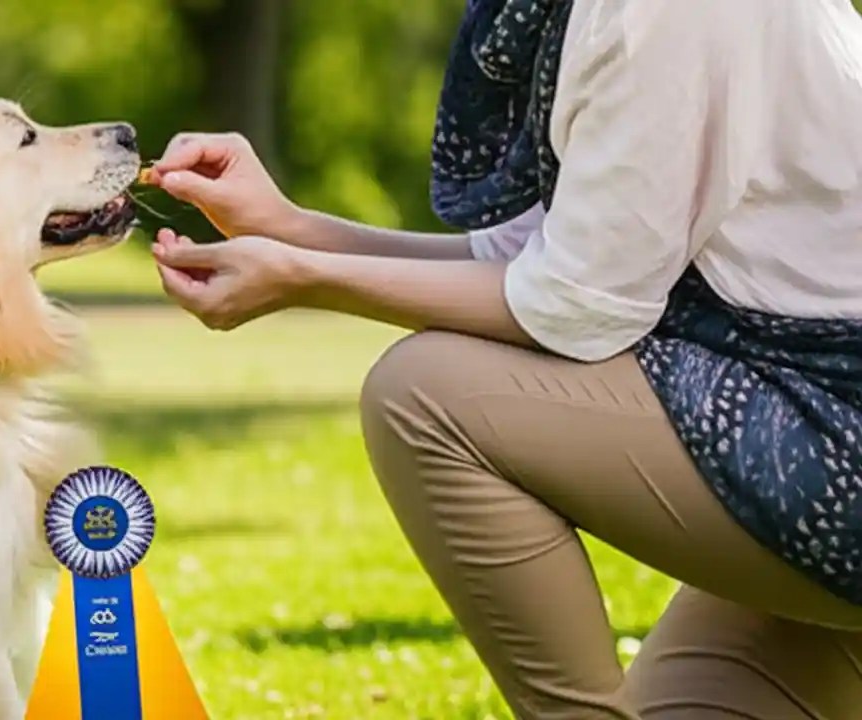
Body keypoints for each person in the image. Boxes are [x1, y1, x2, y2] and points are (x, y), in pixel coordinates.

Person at [142, 0, 862, 717]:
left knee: (425, 396)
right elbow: (538, 262)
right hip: (807, 435)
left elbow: (575, 308)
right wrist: (291, 230)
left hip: (834, 441)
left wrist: (307, 279)